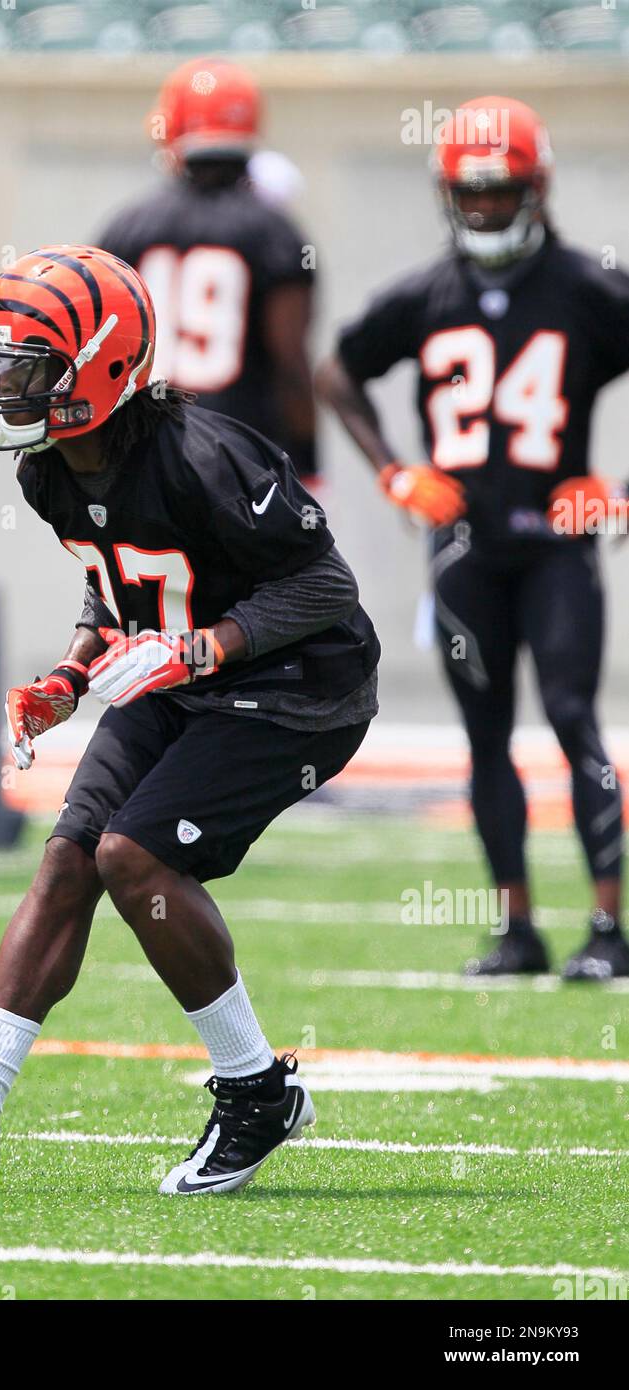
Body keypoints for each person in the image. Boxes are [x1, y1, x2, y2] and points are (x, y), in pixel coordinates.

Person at [0, 244, 380, 1195]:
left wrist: (205, 647)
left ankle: (256, 1091)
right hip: (180, 677)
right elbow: (120, 590)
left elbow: (324, 583)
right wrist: (68, 677)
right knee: (68, 860)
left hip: (299, 691)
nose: (2, 385)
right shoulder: (50, 473)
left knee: (131, 856)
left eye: (27, 366)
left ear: (99, 369)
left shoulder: (205, 456)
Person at [315, 95, 629, 980]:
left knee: (572, 720)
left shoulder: (585, 287)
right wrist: (390, 470)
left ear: (537, 188)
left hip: (557, 547)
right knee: (485, 736)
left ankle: (608, 931)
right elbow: (337, 370)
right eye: (470, 192)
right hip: (462, 550)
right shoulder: (424, 294)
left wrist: (618, 493)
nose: (486, 208)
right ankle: (516, 928)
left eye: (501, 191)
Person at [97, 57, 319, 489]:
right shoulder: (275, 231)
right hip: (242, 461)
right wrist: (309, 466)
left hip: (143, 460)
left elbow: (97, 349)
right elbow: (291, 365)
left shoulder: (127, 228)